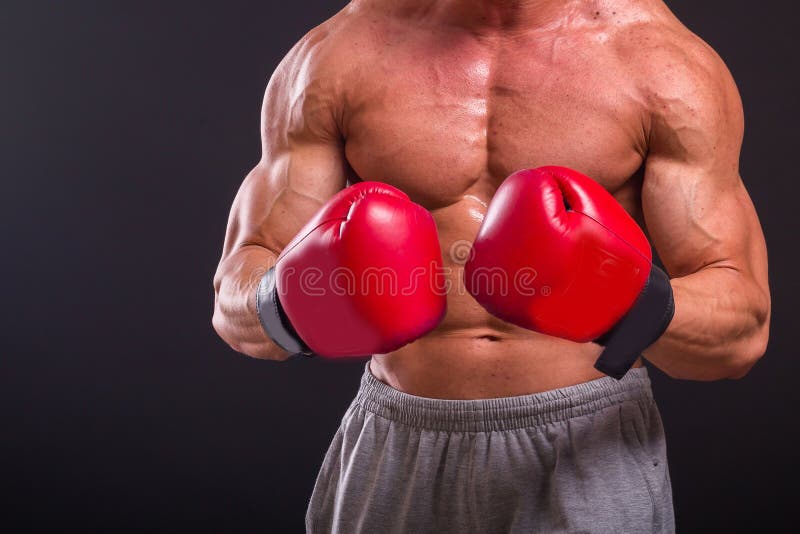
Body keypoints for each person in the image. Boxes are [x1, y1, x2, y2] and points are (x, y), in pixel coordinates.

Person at [212, 0, 771, 532]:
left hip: (584, 449)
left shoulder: (663, 67)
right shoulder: (337, 57)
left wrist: (622, 300)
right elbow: (234, 300)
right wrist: (289, 302)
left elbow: (741, 331)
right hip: (396, 441)